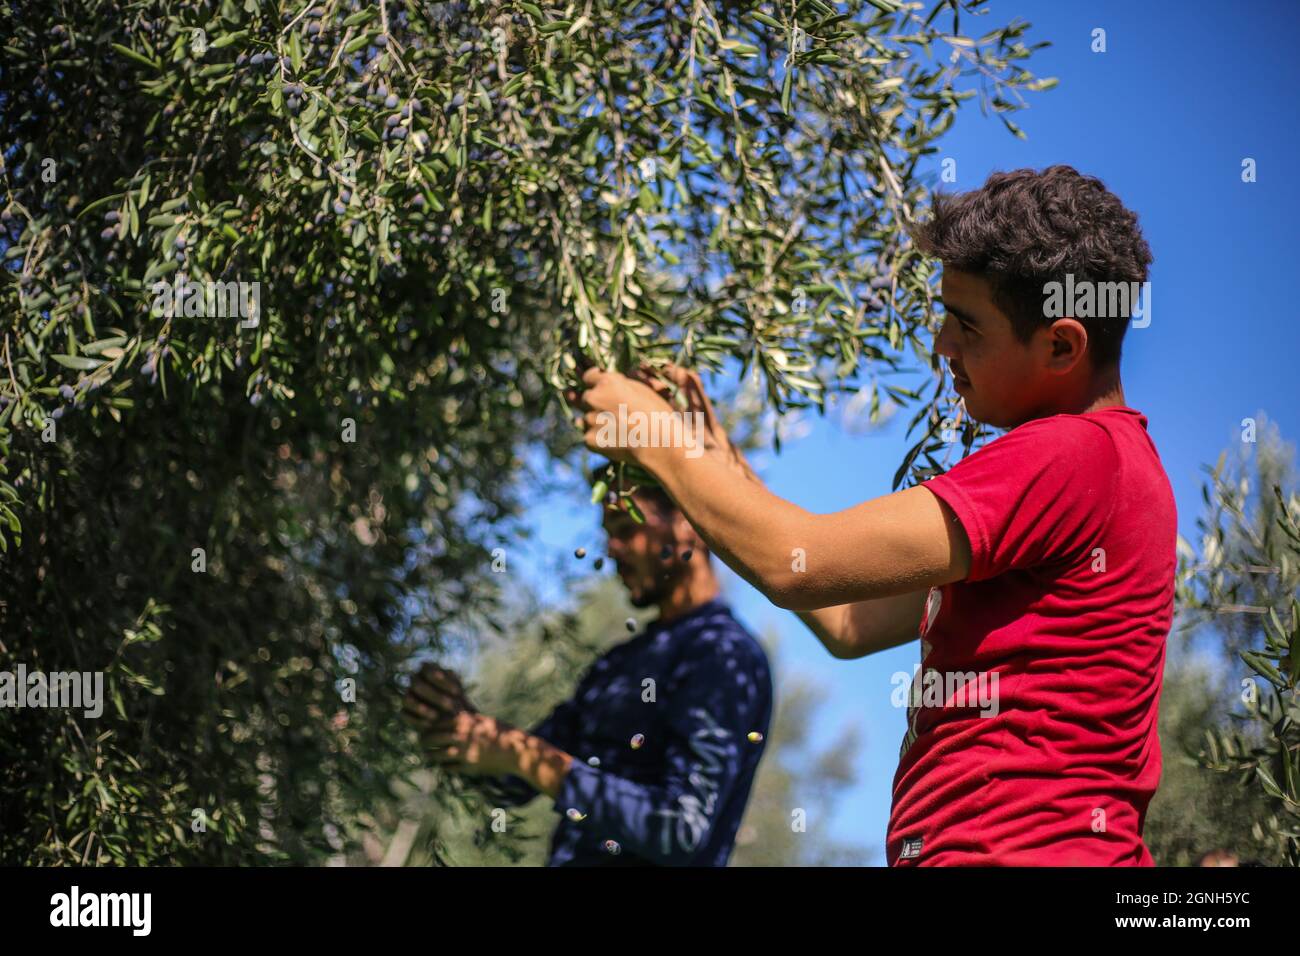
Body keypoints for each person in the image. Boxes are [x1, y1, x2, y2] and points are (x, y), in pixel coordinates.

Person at [574, 165, 1175, 866]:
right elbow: (848, 621)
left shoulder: (1074, 454)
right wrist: (719, 466)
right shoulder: (1111, 471)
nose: (943, 346)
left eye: (968, 326)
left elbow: (797, 563)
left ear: (1062, 346)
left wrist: (655, 437)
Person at [403, 473, 773, 866]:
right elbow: (514, 782)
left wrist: (521, 754)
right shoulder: (619, 663)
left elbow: (679, 828)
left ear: (688, 523)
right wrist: (459, 726)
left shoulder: (723, 654)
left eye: (627, 529)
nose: (612, 549)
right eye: (608, 533)